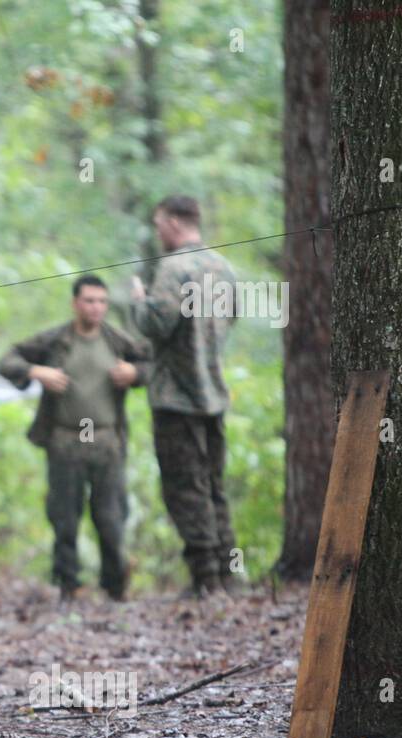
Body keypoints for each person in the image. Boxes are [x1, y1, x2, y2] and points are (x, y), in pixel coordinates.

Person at [0, 275, 151, 601]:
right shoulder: (55, 340)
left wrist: (135, 374)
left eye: (102, 302)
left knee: (111, 519)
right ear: (75, 303)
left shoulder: (116, 340)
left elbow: (153, 364)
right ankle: (68, 587)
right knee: (64, 518)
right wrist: (37, 372)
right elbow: (7, 360)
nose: (96, 308)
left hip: (107, 441)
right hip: (65, 440)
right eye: (89, 301)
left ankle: (115, 588)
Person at [129, 195, 240, 597]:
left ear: (174, 223)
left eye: (159, 224)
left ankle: (206, 579)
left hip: (176, 397)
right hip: (213, 393)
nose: (157, 232)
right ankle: (227, 571)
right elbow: (232, 316)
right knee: (213, 485)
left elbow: (156, 323)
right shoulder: (224, 267)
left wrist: (139, 301)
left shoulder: (173, 268)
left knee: (184, 486)